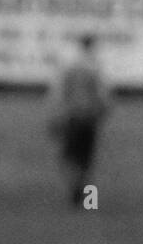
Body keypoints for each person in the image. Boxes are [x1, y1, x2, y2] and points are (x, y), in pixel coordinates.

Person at [47, 33, 111, 206]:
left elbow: (58, 91)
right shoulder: (95, 66)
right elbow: (103, 93)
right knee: (87, 158)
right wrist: (104, 111)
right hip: (89, 116)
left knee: (68, 156)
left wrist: (55, 114)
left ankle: (74, 188)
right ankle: (90, 200)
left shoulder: (69, 65)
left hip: (71, 116)